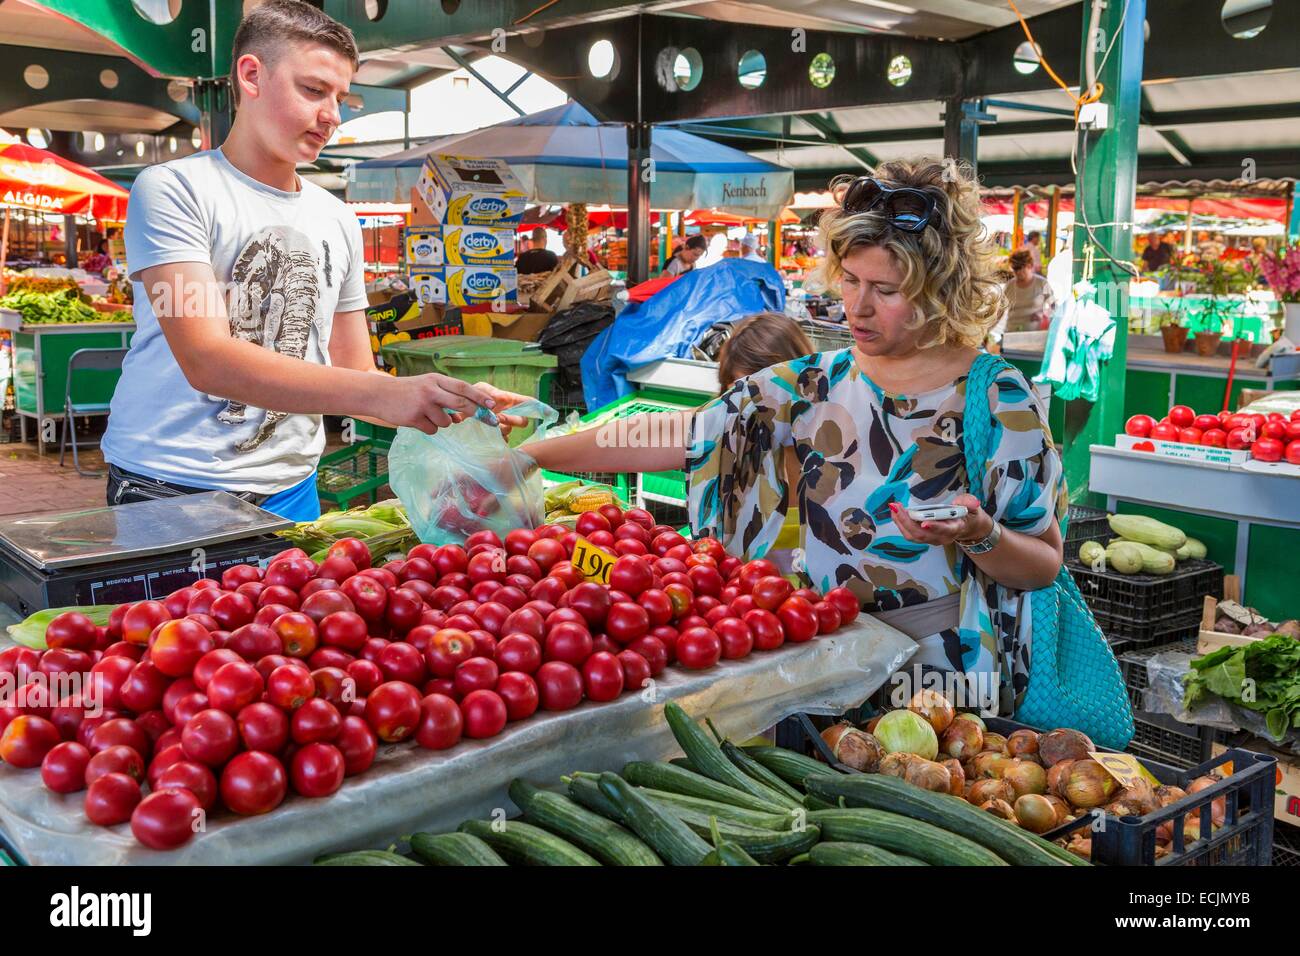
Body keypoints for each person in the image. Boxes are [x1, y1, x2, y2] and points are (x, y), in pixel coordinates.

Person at [518, 159, 1066, 711]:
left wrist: (977, 533)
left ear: (942, 291)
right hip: (831, 662)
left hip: (947, 675)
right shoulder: (813, 384)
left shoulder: (997, 398)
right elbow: (682, 433)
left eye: (886, 289)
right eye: (850, 280)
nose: (858, 306)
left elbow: (1044, 563)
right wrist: (529, 456)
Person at [100, 0, 515, 520]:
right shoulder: (174, 189)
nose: (332, 117)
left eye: (341, 97)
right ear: (251, 75)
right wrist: (381, 396)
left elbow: (354, 368)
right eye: (314, 91)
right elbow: (206, 359)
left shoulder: (337, 218)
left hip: (294, 485)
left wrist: (445, 399)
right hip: (170, 485)